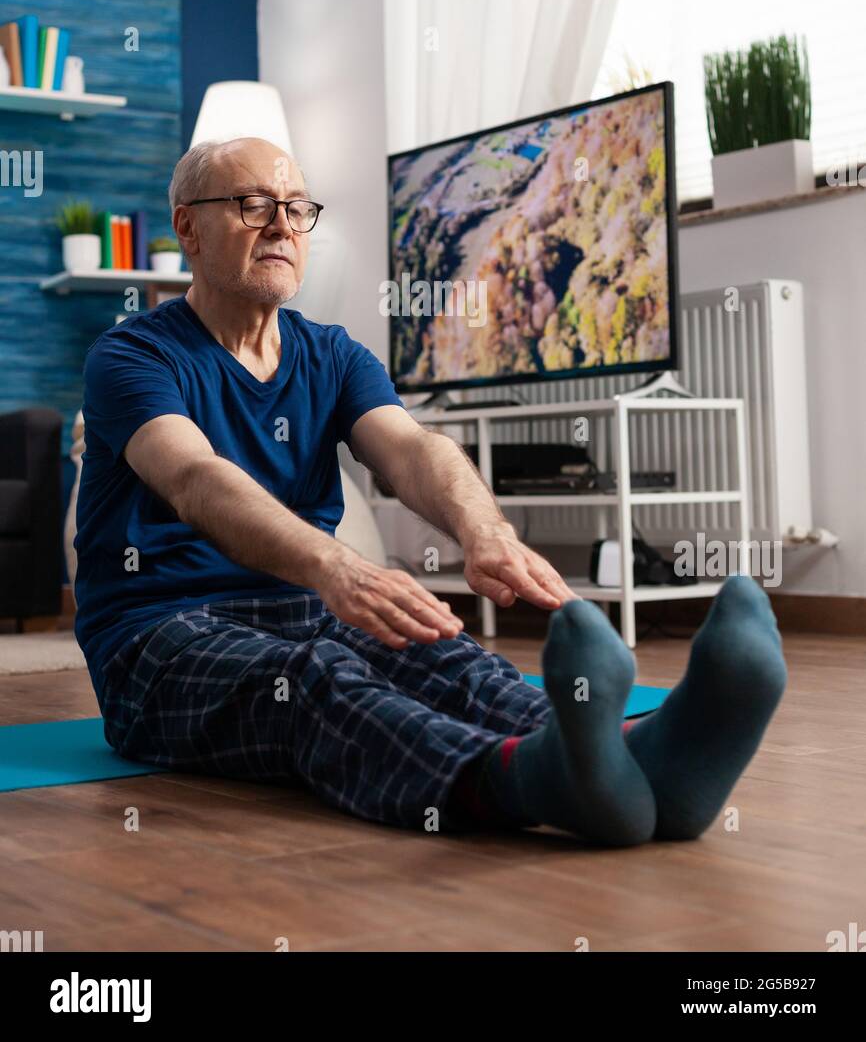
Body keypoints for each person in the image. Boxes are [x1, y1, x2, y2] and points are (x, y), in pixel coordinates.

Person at [74, 136, 787, 845]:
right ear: (189, 227)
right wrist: (336, 565)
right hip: (159, 637)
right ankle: (532, 781)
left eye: (296, 208)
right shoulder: (132, 355)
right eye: (253, 204)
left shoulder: (332, 353)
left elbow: (414, 452)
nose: (283, 226)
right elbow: (195, 478)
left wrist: (487, 533)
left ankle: (643, 761)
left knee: (441, 651)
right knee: (314, 680)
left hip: (304, 606)